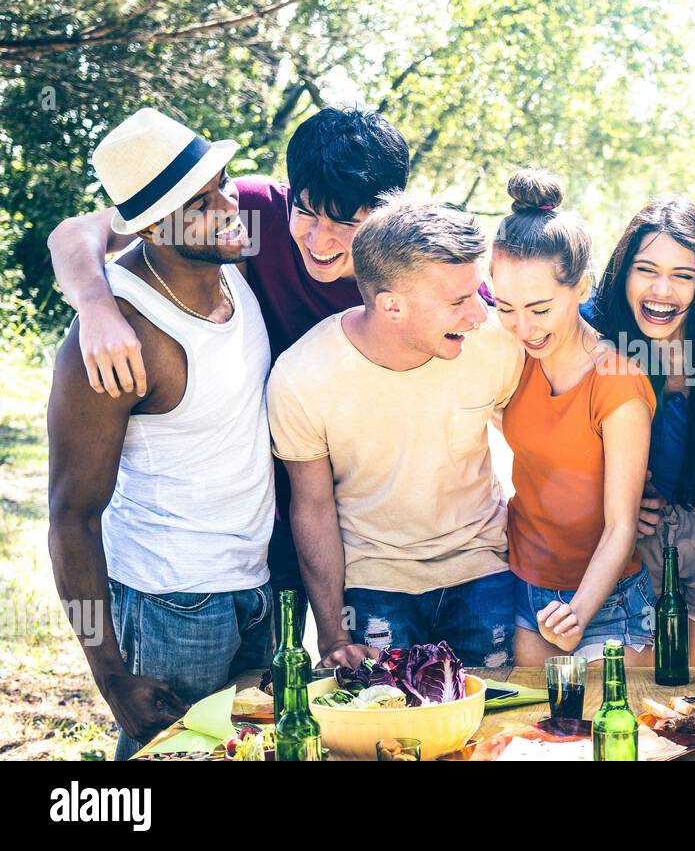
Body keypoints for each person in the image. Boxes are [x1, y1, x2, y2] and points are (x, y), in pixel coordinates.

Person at [47, 107, 412, 638]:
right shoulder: (253, 221)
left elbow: (483, 314)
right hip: (269, 524)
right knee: (260, 696)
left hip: (370, 522)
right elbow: (76, 233)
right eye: (308, 212)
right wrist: (96, 307)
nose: (319, 239)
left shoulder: (412, 260)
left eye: (347, 223)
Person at [47, 108, 274, 760]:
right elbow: (71, 518)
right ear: (149, 226)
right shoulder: (118, 340)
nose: (230, 205)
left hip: (256, 584)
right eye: (201, 202)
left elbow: (77, 233)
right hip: (173, 604)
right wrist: (110, 674)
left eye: (224, 182)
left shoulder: (236, 261)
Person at [267, 194, 523, 669]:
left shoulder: (494, 347)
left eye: (476, 291)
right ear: (391, 306)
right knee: (390, 735)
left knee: (497, 731)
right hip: (374, 584)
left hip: (484, 572)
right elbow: (312, 507)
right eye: (459, 301)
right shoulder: (301, 376)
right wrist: (331, 636)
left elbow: (538, 442)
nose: (479, 314)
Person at [491, 170, 657, 666]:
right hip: (526, 593)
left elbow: (621, 526)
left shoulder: (617, 380)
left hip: (610, 607)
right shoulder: (508, 359)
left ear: (581, 288)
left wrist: (580, 612)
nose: (523, 327)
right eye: (505, 307)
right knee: (531, 741)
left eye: (540, 309)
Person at [587, 198, 695, 664]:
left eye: (683, 275)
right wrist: (618, 495)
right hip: (633, 554)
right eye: (646, 269)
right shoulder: (594, 336)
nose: (663, 290)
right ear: (622, 272)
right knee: (638, 705)